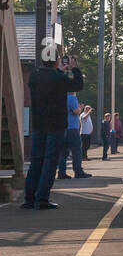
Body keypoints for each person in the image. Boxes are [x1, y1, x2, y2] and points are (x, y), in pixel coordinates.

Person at [24, 50, 83, 210]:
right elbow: (76, 84)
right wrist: (72, 69)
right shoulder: (60, 78)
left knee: (36, 161)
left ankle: (29, 198)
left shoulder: (35, 76)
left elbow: (51, 78)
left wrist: (60, 70)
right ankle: (42, 199)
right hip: (56, 125)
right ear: (56, 61)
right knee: (50, 162)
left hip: (38, 124)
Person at [57, 91, 91, 179]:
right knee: (77, 150)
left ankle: (61, 172)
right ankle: (78, 171)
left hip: (62, 128)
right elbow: (76, 111)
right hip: (72, 128)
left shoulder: (60, 97)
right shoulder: (72, 98)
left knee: (63, 152)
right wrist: (79, 108)